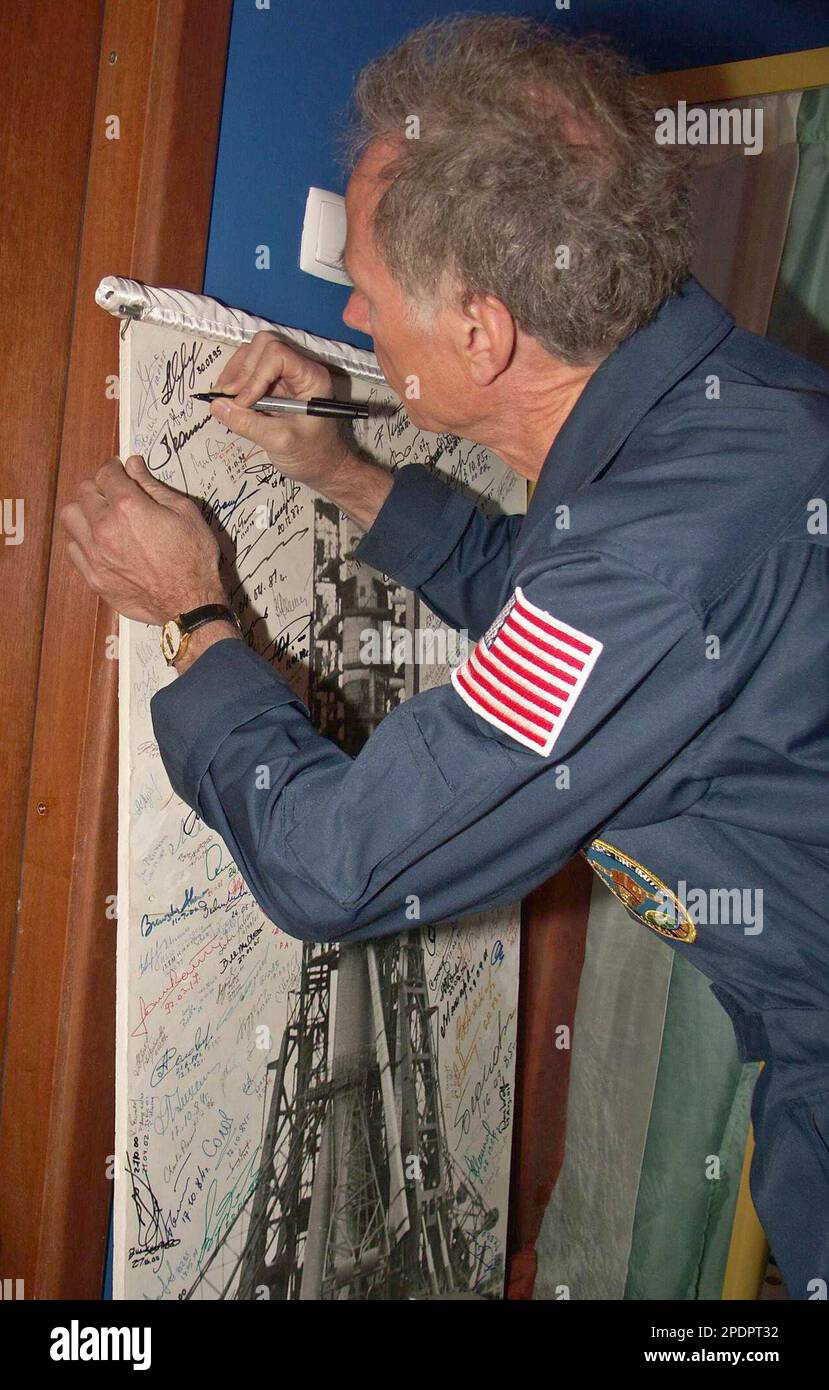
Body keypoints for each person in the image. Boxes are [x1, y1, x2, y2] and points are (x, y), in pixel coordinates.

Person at [62, 17, 829, 1299]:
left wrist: (194, 616)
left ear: (480, 333)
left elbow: (340, 866)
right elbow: (549, 599)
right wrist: (346, 474)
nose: (350, 311)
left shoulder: (650, 558)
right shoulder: (714, 426)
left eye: (362, 283)